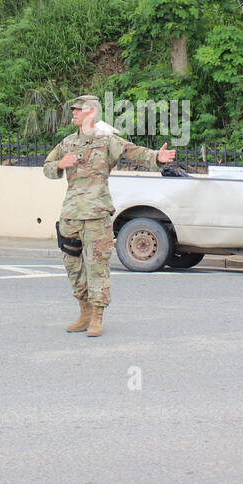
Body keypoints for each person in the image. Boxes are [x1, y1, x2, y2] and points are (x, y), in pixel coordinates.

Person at [43, 95, 176, 337]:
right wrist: (60, 164)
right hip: (71, 215)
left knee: (97, 266)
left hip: (96, 215)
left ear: (91, 112)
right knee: (73, 266)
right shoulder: (67, 143)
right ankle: (83, 311)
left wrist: (156, 157)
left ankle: (97, 317)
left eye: (78, 109)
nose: (73, 112)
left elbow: (132, 152)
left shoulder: (106, 141)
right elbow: (47, 168)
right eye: (72, 109)